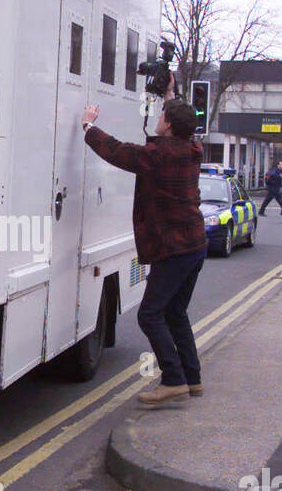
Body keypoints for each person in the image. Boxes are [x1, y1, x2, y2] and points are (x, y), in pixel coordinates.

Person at [82, 92, 206, 407]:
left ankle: (174, 380)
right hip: (194, 245)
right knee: (176, 312)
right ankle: (192, 378)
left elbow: (120, 153)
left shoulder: (160, 157)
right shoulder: (191, 149)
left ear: (169, 124)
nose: (157, 119)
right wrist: (171, 95)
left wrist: (88, 127)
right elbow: (151, 145)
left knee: (150, 314)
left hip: (174, 248)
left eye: (162, 115)